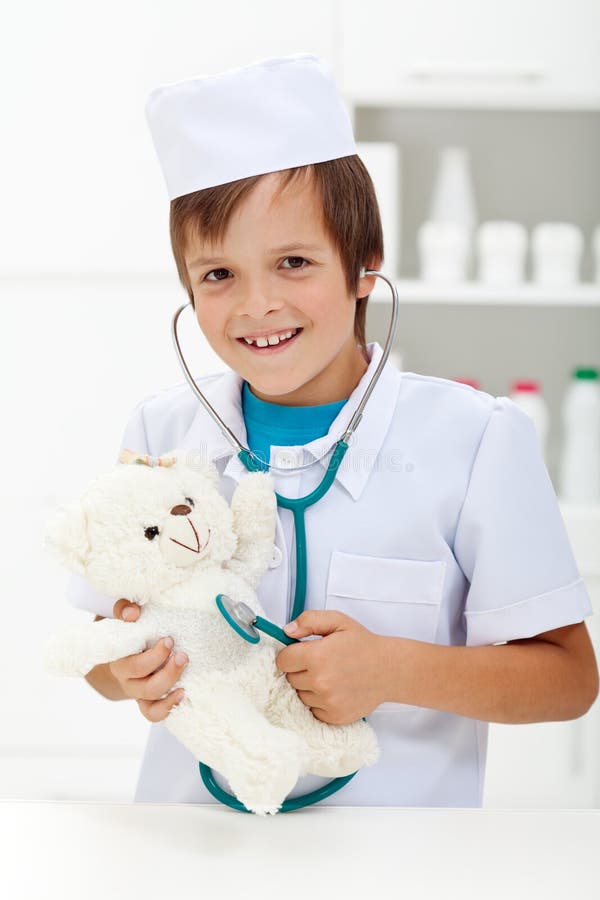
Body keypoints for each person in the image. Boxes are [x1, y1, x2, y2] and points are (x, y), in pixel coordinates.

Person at [65, 52, 598, 808]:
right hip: (191, 845)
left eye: (293, 261)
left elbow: (569, 680)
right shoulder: (163, 428)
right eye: (218, 274)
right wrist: (126, 673)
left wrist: (395, 669)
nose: (256, 304)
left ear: (364, 266)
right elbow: (101, 644)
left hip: (396, 856)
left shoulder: (476, 439)